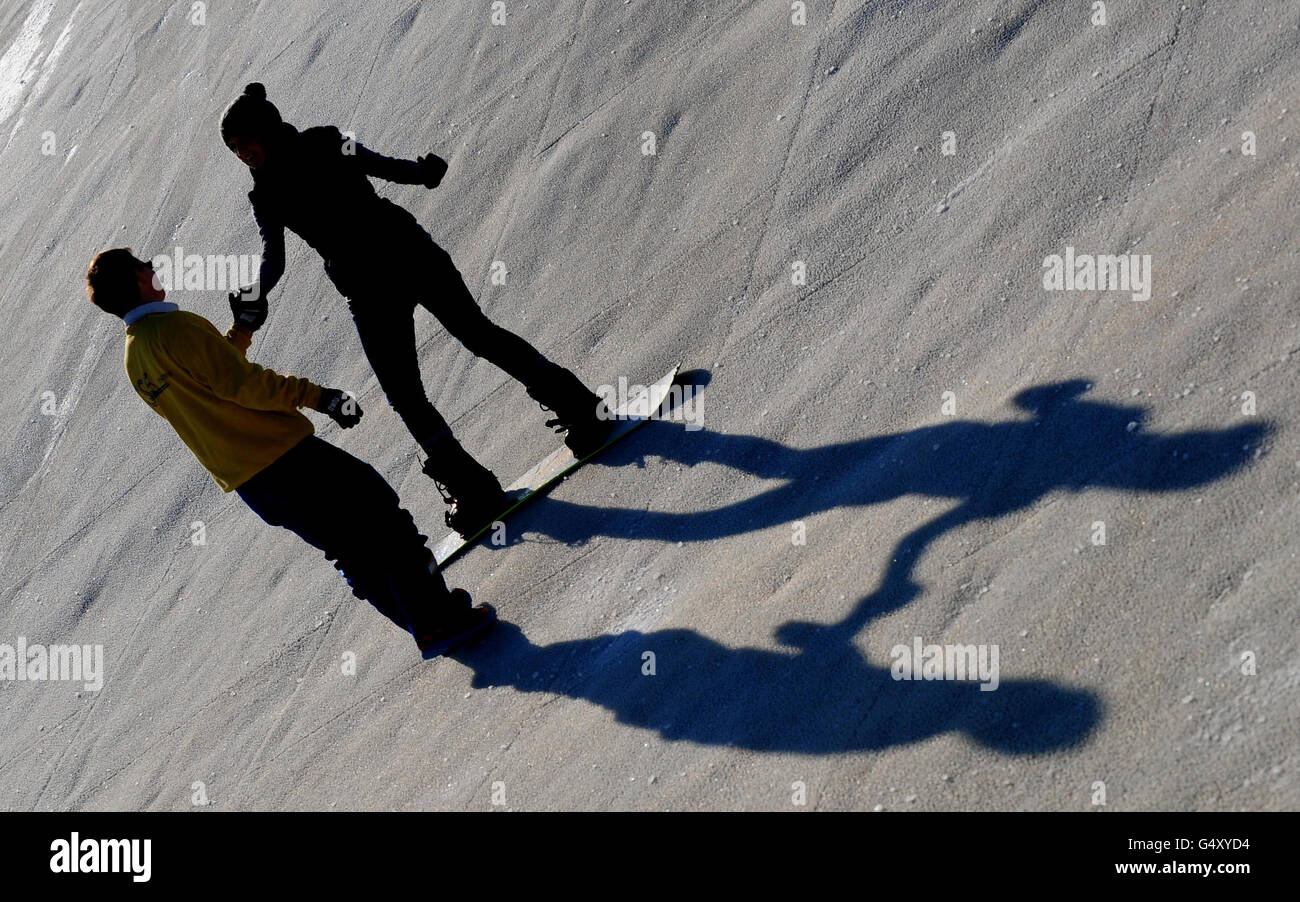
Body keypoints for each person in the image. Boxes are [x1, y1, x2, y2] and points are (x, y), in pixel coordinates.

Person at [219, 82, 611, 537]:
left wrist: (421, 173)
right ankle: (572, 417)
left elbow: (378, 166)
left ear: (263, 131)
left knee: (463, 348)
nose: (242, 154)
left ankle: (489, 482)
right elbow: (276, 255)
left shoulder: (315, 150)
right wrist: (258, 290)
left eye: (244, 143)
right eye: (233, 149)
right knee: (435, 372)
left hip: (385, 272)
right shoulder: (290, 171)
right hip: (393, 263)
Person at [84, 247, 495, 658]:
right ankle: (438, 621)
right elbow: (245, 386)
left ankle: (428, 624)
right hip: (286, 458)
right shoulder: (175, 327)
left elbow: (214, 382)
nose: (153, 269)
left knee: (350, 551)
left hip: (253, 482)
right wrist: (319, 397)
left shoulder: (135, 356)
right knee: (382, 516)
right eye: (145, 266)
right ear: (137, 281)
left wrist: (241, 331)